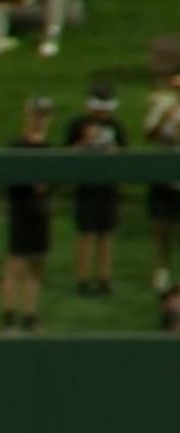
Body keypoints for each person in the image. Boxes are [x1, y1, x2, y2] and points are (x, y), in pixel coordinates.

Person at [0, 96, 57, 334]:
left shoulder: (50, 149)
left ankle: (30, 316)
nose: (40, 120)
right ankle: (8, 318)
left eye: (44, 115)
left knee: (36, 266)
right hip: (22, 209)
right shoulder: (17, 146)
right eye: (36, 114)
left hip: (41, 211)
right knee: (15, 264)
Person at [65, 83, 127, 296]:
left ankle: (104, 278)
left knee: (106, 234)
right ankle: (82, 279)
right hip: (86, 186)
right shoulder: (77, 124)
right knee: (86, 234)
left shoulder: (116, 126)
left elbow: (126, 155)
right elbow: (65, 154)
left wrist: (113, 151)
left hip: (108, 187)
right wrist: (83, 142)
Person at [143, 69, 180, 293]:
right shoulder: (162, 104)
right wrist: (165, 117)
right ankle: (161, 269)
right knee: (161, 224)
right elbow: (149, 134)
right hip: (164, 172)